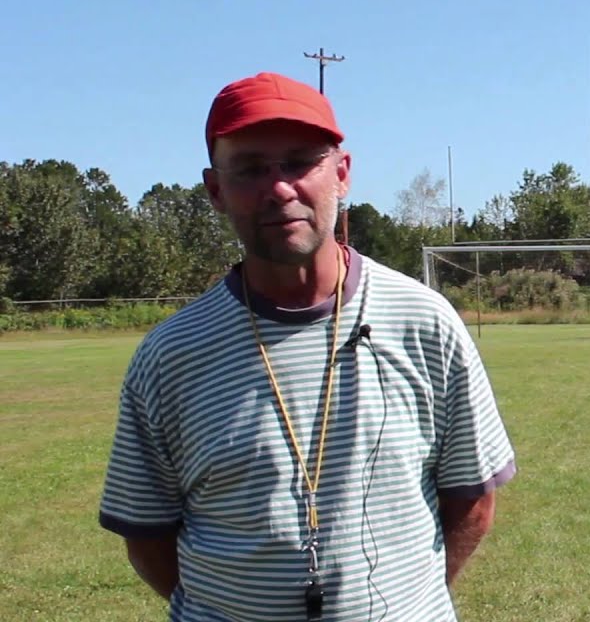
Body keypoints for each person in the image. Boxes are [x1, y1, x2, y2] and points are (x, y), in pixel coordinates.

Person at [98, 71, 517, 621]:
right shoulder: (171, 355)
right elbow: (147, 534)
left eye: (301, 162)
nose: (279, 188)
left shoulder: (424, 320)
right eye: (250, 168)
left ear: (341, 174)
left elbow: (473, 498)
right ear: (216, 190)